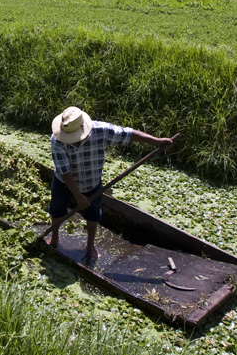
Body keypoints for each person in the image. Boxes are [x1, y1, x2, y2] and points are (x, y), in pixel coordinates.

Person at [48, 106, 178, 264]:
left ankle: (90, 246)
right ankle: (54, 238)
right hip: (64, 182)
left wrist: (156, 141)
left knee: (93, 214)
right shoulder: (57, 140)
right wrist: (78, 196)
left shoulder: (101, 130)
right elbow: (64, 171)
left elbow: (128, 134)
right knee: (57, 209)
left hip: (92, 181)